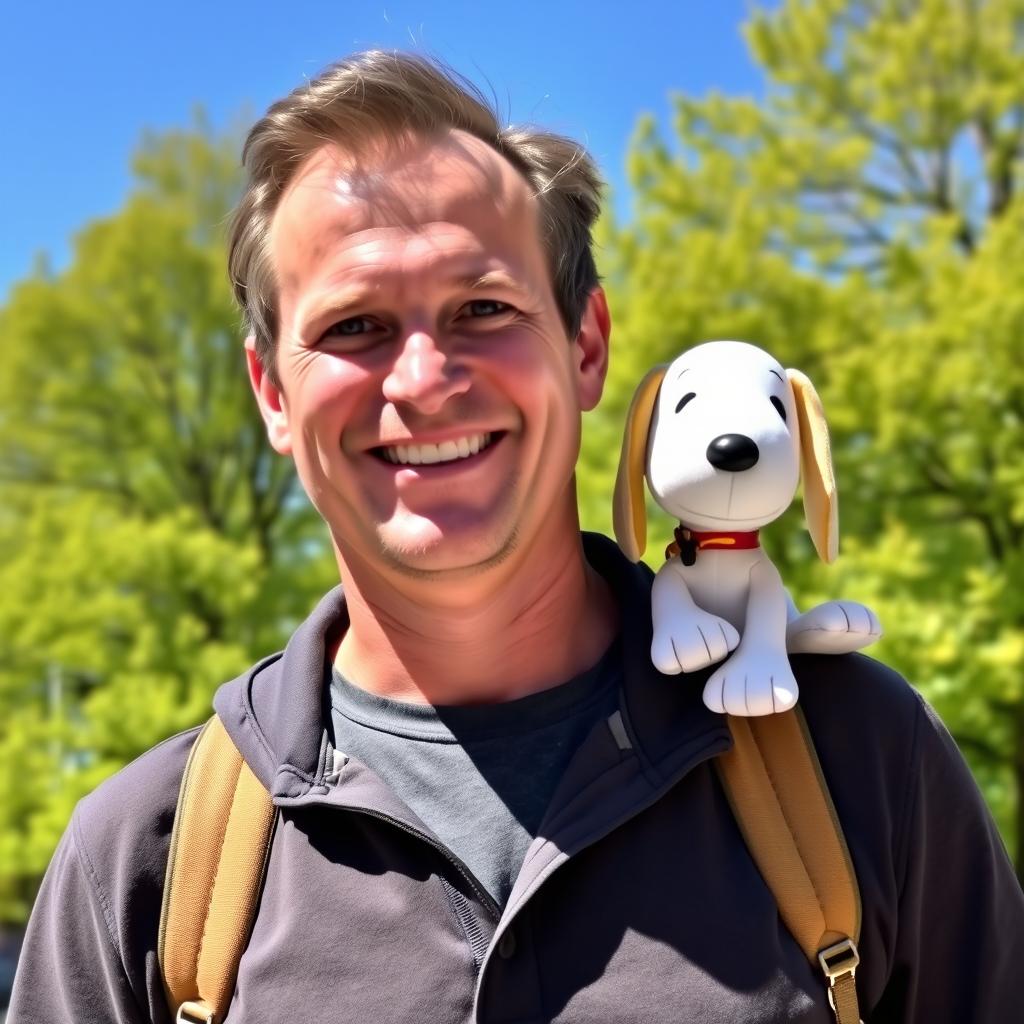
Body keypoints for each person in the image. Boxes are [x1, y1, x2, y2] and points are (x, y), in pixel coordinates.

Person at [9, 51, 1024, 1024]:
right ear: (272, 392)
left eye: (483, 307)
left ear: (585, 347)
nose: (423, 380)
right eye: (354, 326)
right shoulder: (144, 867)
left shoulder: (861, 762)